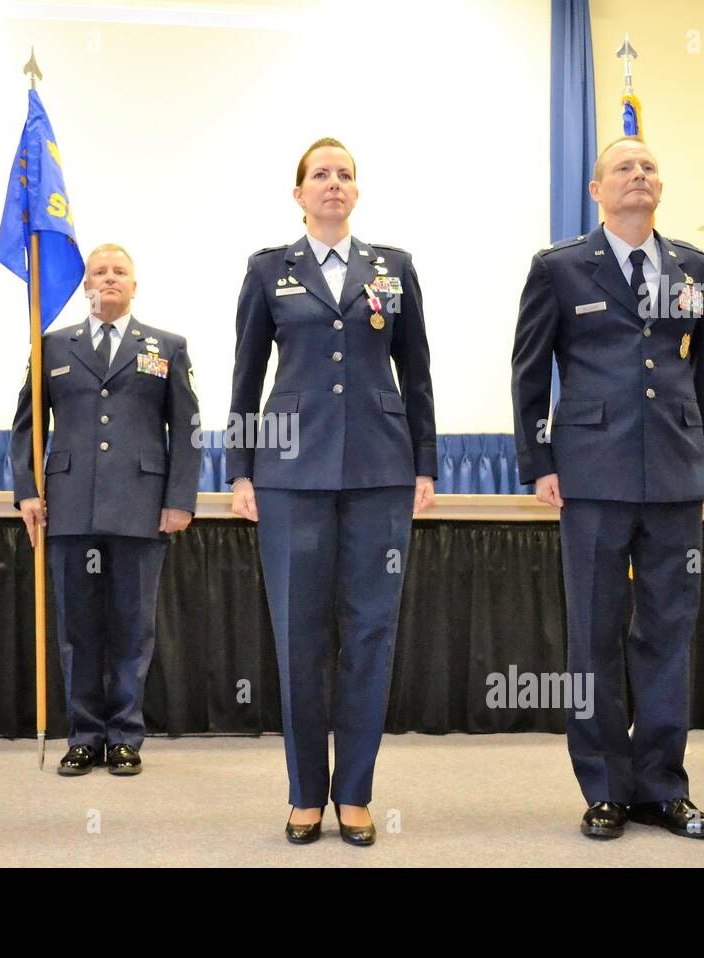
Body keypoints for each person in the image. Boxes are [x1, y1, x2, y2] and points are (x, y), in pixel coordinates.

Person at [510, 136, 704, 840]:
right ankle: (604, 785)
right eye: (624, 168)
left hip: (674, 472)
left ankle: (662, 786)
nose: (640, 175)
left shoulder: (694, 265)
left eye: (650, 167)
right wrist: (539, 461)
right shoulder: (561, 268)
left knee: (667, 633)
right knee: (595, 636)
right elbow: (529, 371)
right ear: (597, 190)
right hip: (592, 475)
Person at [228, 138, 437, 846]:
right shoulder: (268, 271)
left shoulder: (394, 269)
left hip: (380, 473)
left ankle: (354, 792)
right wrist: (240, 469)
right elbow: (246, 378)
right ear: (299, 193)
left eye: (345, 174)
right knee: (298, 638)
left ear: (357, 191)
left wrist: (426, 465)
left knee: (371, 636)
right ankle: (303, 793)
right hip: (291, 477)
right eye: (321, 174)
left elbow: (418, 375)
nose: (334, 184)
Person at [12, 244, 200, 776]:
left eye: (120, 271)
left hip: (142, 509)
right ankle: (83, 735)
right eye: (100, 272)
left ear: (135, 285)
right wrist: (27, 490)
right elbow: (28, 426)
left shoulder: (166, 346)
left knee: (132, 626)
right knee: (77, 628)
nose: (110, 278)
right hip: (68, 507)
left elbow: (185, 428)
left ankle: (124, 736)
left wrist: (179, 499)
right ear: (86, 285)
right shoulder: (50, 346)